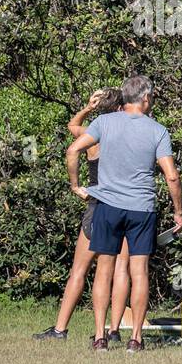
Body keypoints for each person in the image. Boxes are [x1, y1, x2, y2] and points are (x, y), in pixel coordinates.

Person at [66, 75, 182, 352]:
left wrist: (76, 185)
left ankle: (99, 337)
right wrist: (178, 212)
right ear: (145, 99)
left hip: (107, 206)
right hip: (141, 208)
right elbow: (172, 177)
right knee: (139, 272)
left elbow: (73, 150)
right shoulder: (158, 130)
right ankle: (136, 340)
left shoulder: (104, 123)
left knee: (103, 271)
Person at [33, 89, 133, 342]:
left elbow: (72, 127)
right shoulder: (132, 136)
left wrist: (75, 186)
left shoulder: (94, 136)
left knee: (79, 270)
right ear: (122, 109)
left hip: (98, 208)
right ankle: (113, 331)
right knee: (120, 270)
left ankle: (60, 329)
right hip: (127, 207)